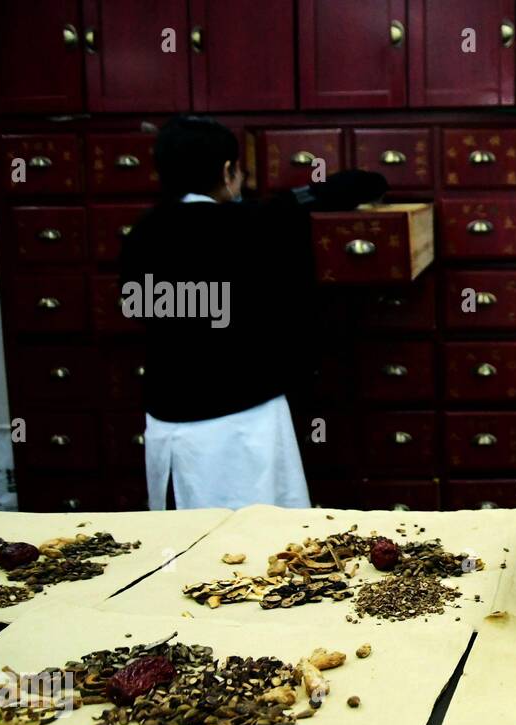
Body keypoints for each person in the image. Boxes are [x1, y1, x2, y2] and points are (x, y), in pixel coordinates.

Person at [119, 115, 387, 510]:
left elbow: (138, 307)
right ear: (228, 171)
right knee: (258, 545)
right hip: (243, 420)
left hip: (169, 421)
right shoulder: (255, 222)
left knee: (188, 541)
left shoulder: (142, 232)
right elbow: (340, 191)